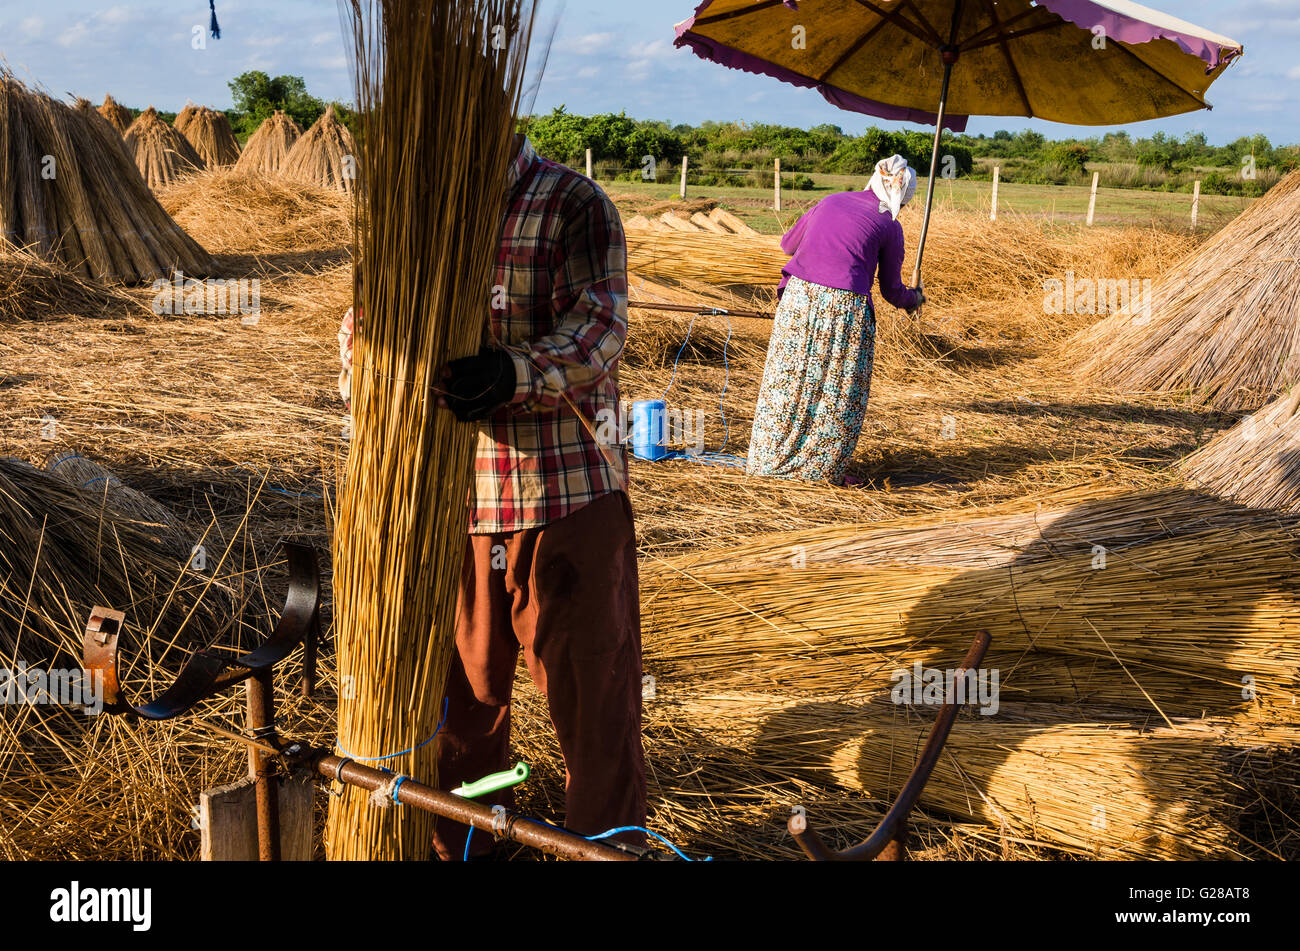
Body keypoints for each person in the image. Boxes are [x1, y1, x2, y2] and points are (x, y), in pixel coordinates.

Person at [338, 133, 645, 860]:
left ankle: (606, 851)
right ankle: (474, 853)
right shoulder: (407, 216)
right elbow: (360, 326)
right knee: (463, 721)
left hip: (565, 502)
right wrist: (369, 371)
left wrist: (517, 373)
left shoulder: (572, 203)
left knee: (596, 715)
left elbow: (601, 327)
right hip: (454, 508)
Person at [746, 154, 925, 485]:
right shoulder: (890, 226)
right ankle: (819, 470)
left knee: (789, 379)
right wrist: (915, 298)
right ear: (902, 196)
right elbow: (891, 290)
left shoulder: (829, 202)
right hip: (844, 310)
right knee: (835, 390)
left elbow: (787, 244)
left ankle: (769, 460)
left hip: (799, 300)